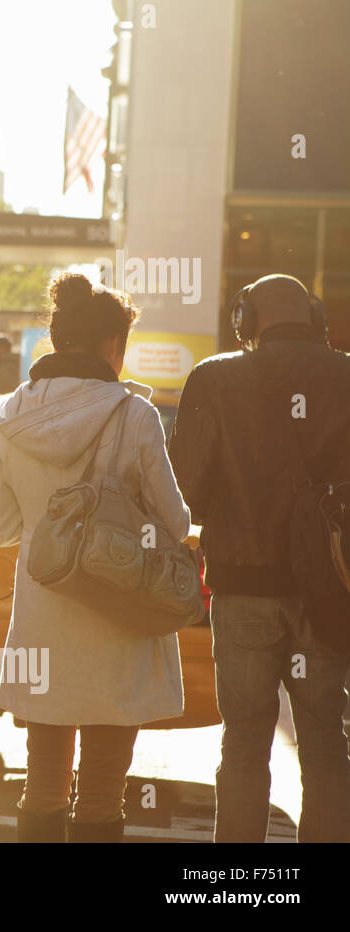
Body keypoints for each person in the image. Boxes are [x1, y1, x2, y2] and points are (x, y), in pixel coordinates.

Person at [0, 272, 190, 842]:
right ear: (111, 346)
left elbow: (1, 528)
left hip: (43, 622)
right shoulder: (134, 416)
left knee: (44, 781)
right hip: (119, 617)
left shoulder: (7, 416)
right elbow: (173, 524)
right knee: (103, 788)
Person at [168, 273, 350, 843]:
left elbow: (186, 488)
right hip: (327, 589)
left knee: (244, 741)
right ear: (314, 319)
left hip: (243, 588)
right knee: (324, 740)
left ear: (247, 320)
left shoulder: (215, 378)